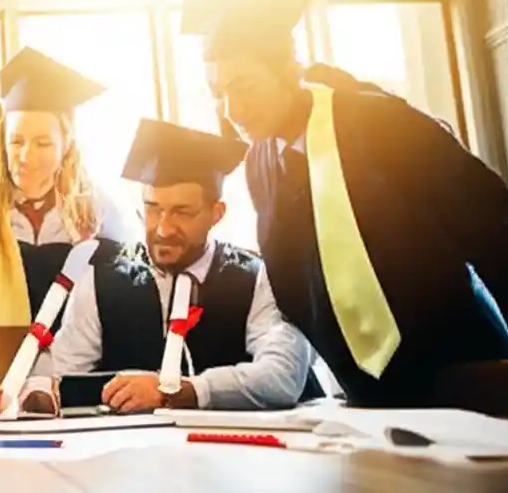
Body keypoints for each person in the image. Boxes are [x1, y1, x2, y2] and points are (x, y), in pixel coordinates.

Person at [184, 0, 508, 407]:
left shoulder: (379, 122)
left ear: (286, 70)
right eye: (219, 94)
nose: (233, 111)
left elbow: (497, 238)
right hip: (370, 396)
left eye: (245, 87)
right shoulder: (262, 165)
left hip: (467, 373)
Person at [38, 119, 313, 413]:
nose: (164, 229)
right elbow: (61, 377)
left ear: (216, 213)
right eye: (153, 209)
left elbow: (282, 375)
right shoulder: (101, 278)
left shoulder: (257, 277)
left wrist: (183, 392)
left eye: (183, 212)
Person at [0, 47, 138, 390]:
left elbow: (125, 299)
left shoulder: (97, 208)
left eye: (44, 143)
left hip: (78, 381)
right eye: (16, 141)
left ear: (67, 143)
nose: (26, 157)